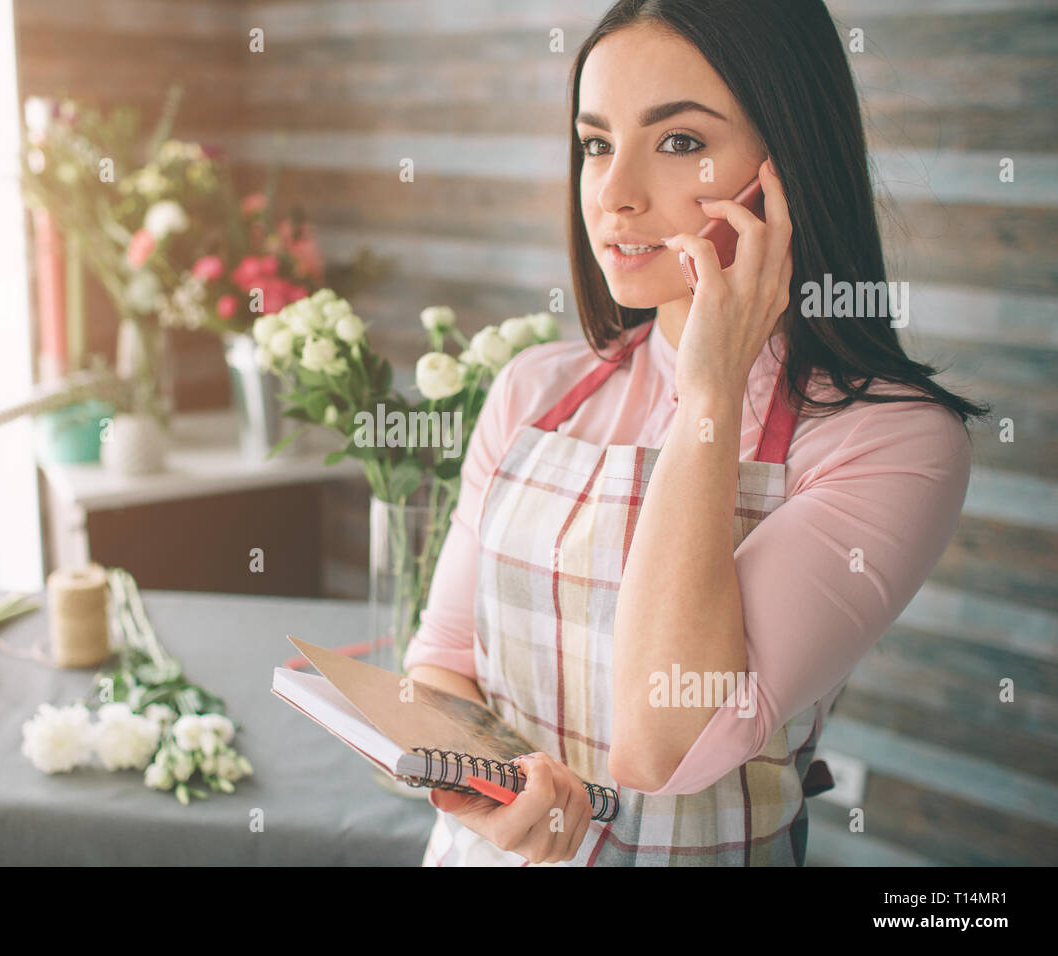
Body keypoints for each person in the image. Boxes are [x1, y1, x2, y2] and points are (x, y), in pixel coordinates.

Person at [402, 0, 989, 867]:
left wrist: (708, 388)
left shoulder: (892, 443)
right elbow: (441, 666)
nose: (614, 191)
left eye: (678, 141)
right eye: (597, 143)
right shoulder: (533, 389)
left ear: (783, 169)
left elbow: (666, 740)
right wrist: (492, 792)